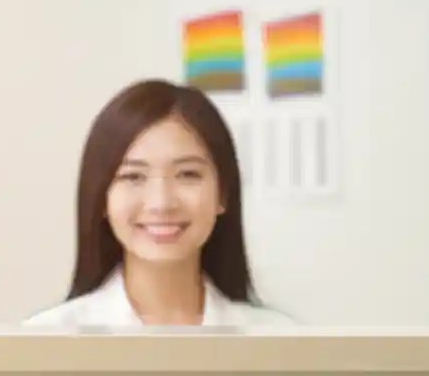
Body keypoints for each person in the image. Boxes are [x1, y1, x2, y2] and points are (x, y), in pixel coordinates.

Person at [27, 79, 292, 327]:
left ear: (223, 193)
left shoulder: (279, 339)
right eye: (133, 176)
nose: (161, 203)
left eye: (188, 174)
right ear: (102, 199)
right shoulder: (46, 337)